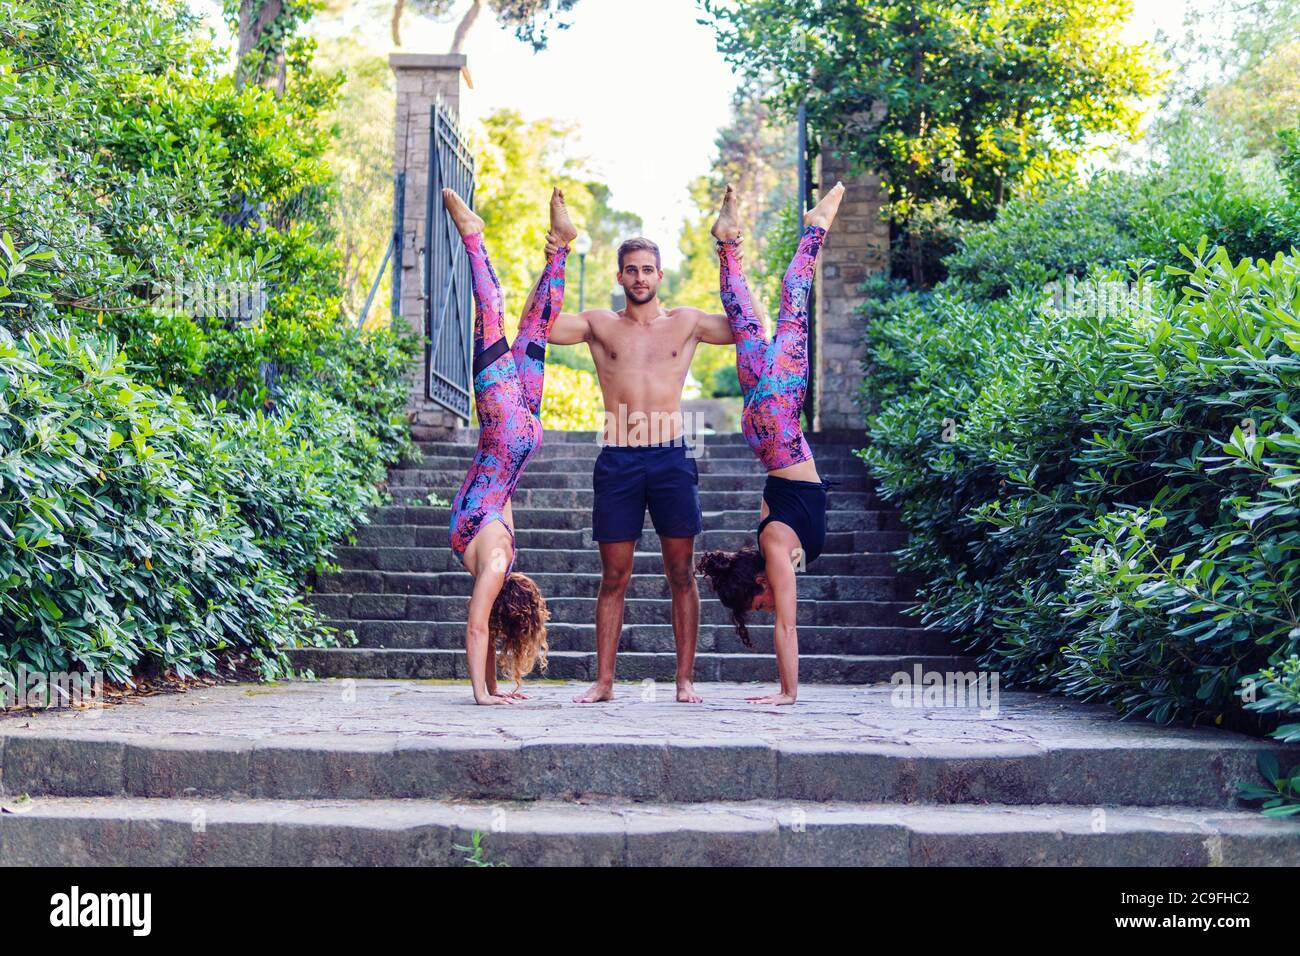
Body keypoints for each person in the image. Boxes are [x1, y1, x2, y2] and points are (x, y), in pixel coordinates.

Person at [538, 235, 736, 703]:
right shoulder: (599, 324)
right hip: (619, 460)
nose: (640, 277)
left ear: (659, 276)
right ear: (619, 275)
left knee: (682, 572)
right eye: (631, 269)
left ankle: (684, 681)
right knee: (614, 576)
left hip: (670, 457)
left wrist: (730, 251)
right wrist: (556, 255)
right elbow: (539, 326)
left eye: (648, 269)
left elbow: (749, 325)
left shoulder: (686, 323)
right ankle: (604, 681)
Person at [695, 180, 845, 705]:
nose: (767, 605)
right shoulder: (765, 533)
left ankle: (814, 232)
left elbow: (787, 626)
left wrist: (786, 693)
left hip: (779, 424)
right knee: (748, 326)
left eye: (756, 602)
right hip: (764, 433)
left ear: (757, 581)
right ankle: (728, 243)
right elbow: (777, 485)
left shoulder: (776, 551)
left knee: (792, 313)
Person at [443, 185, 577, 705]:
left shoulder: (498, 561)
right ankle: (552, 247)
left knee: (505, 320)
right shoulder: (487, 556)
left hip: (511, 434)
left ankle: (485, 239)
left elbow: (481, 630)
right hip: (507, 436)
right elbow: (485, 626)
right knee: (519, 327)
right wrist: (493, 685)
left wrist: (484, 694)